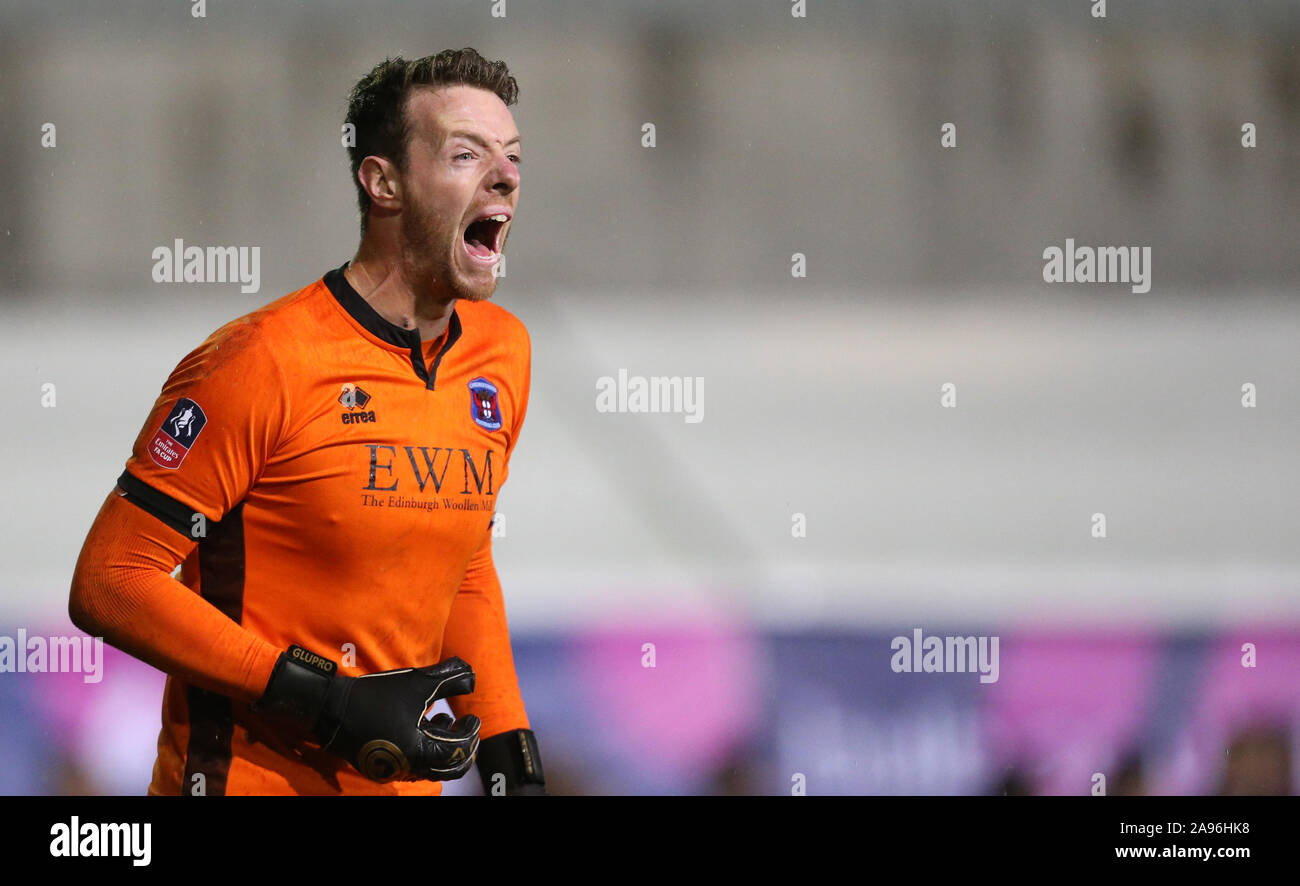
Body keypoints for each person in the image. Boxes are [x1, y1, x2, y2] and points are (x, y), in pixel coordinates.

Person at [68, 48, 544, 796]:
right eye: (465, 154)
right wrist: (327, 701)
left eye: (512, 157)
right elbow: (109, 583)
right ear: (382, 182)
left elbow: (465, 560)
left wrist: (509, 748)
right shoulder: (259, 361)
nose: (506, 175)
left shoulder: (502, 353)